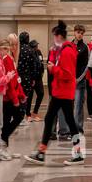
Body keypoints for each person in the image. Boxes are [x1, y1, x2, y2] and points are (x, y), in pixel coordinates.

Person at [25, 20, 84, 165]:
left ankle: (43, 152)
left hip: (63, 92)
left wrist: (53, 69)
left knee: (62, 121)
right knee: (59, 120)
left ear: (59, 37)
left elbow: (68, 74)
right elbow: (55, 62)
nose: (53, 40)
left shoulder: (68, 51)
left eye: (54, 37)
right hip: (60, 92)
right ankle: (45, 152)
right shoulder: (61, 50)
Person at [0, 33, 26, 155]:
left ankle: (4, 145)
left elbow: (16, 79)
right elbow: (10, 83)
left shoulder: (12, 59)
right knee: (16, 116)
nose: (14, 47)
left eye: (16, 44)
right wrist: (16, 99)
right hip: (8, 97)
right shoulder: (7, 59)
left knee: (9, 119)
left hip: (12, 95)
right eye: (12, 44)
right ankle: (3, 142)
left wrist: (21, 95)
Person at [71, 24, 89, 133]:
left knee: (78, 105)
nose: (80, 35)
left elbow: (87, 65)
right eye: (78, 33)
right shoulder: (68, 45)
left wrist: (79, 78)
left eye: (82, 34)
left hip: (80, 81)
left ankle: (78, 128)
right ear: (74, 32)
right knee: (69, 106)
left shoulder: (85, 47)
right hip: (69, 80)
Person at [17, 31, 37, 119]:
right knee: (24, 97)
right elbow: (34, 65)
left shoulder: (16, 49)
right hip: (27, 77)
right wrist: (33, 78)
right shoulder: (30, 50)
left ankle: (16, 116)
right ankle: (21, 118)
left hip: (16, 77)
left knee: (16, 96)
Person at [29, 39, 45, 117]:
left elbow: (41, 62)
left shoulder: (38, 52)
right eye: (35, 46)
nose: (36, 47)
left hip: (38, 77)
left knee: (41, 93)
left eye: (37, 45)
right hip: (31, 78)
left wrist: (42, 72)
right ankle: (27, 114)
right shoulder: (29, 53)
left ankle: (35, 111)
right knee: (30, 96)